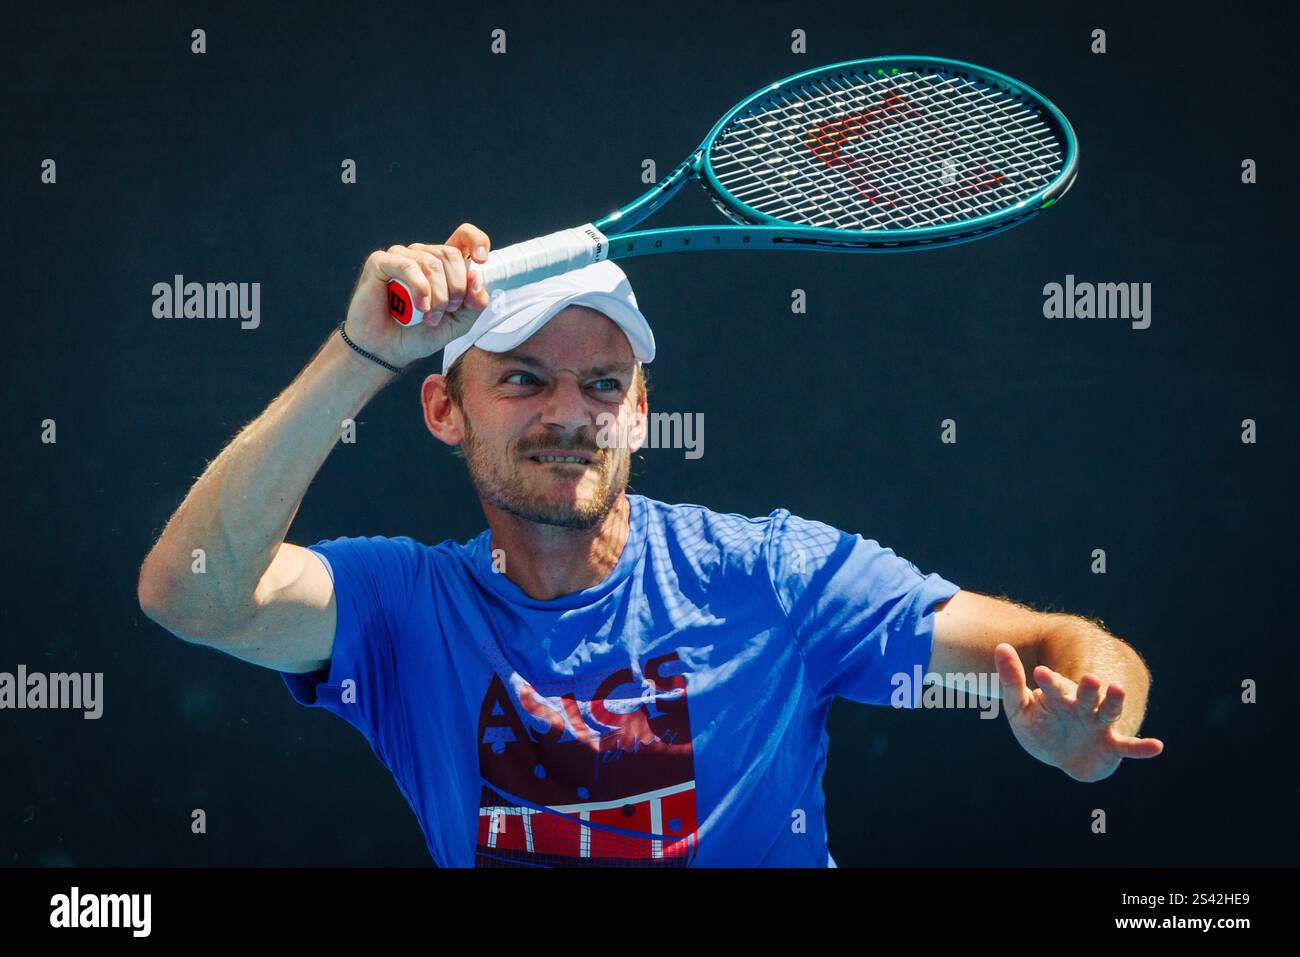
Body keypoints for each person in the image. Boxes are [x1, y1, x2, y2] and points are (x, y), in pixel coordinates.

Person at [137, 223, 1164, 867]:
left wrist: (1088, 724)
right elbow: (193, 596)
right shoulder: (404, 610)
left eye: (601, 385)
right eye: (525, 379)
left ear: (637, 416)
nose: (569, 413)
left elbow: (1059, 643)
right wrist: (359, 355)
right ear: (445, 410)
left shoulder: (773, 575)